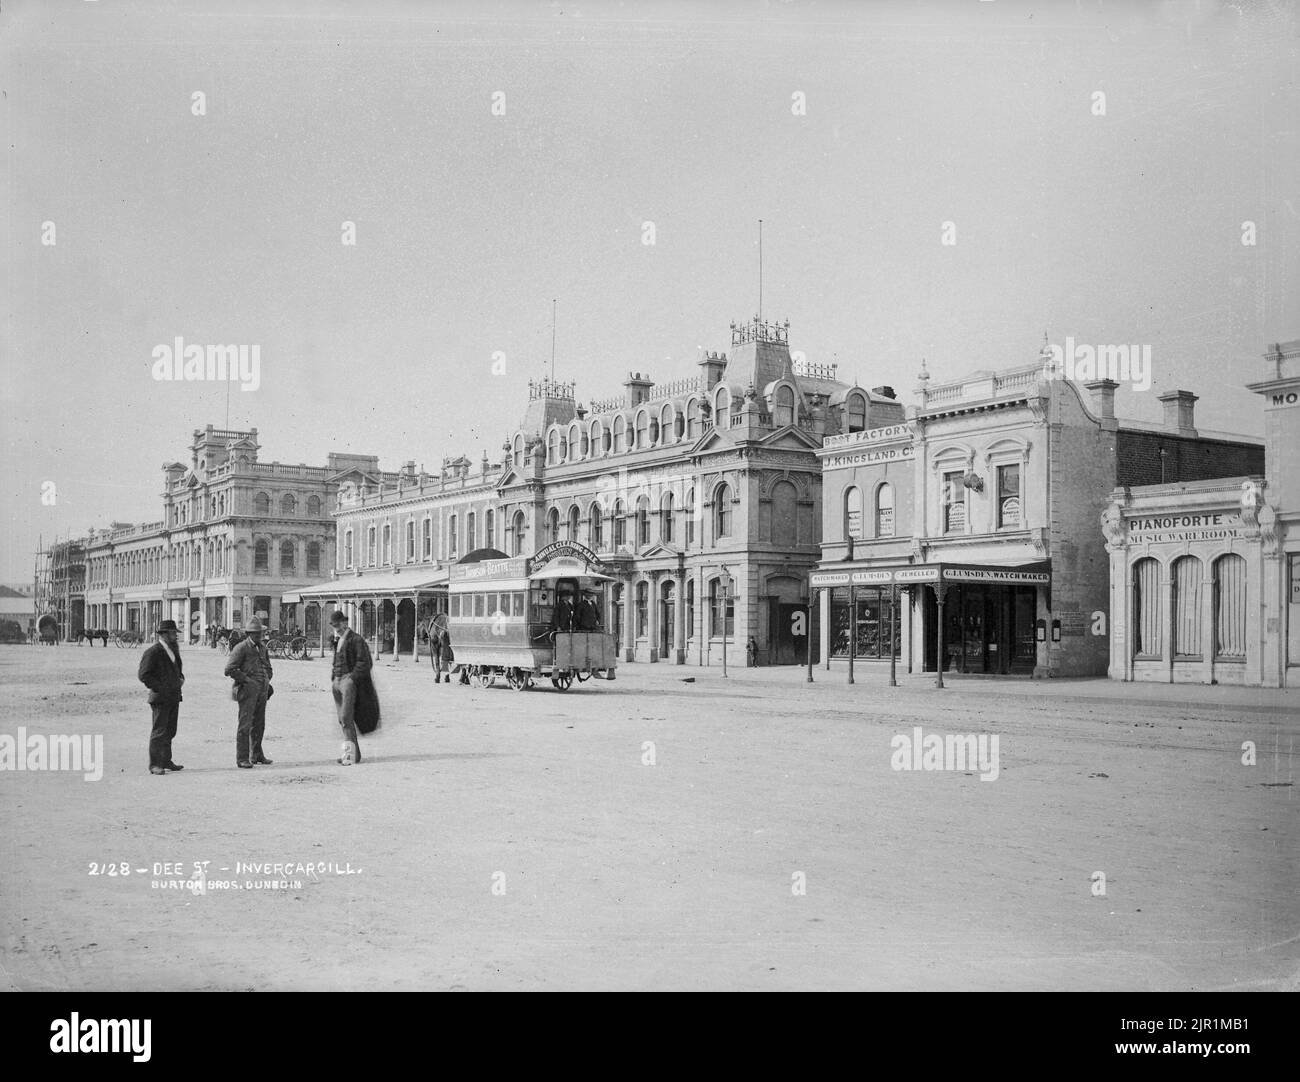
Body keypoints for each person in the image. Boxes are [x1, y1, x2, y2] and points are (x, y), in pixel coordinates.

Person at [329, 610, 380, 764]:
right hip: (337, 682)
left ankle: (350, 756)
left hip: (347, 682)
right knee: (342, 719)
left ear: (345, 623)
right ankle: (352, 754)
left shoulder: (356, 640)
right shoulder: (339, 640)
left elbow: (365, 663)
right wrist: (334, 676)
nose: (337, 628)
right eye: (334, 626)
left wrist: (351, 679)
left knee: (345, 717)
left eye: (339, 625)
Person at [224, 616, 274, 768]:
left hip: (262, 691)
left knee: (259, 724)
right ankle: (242, 758)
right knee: (245, 725)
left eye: (260, 633)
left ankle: (257, 754)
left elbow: (268, 667)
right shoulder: (241, 648)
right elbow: (229, 669)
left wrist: (267, 678)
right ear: (249, 634)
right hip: (247, 691)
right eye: (256, 633)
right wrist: (247, 680)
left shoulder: (263, 648)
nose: (259, 636)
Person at [138, 619, 185, 775]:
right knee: (159, 731)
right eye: (173, 633)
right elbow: (144, 675)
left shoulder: (173, 650)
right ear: (164, 634)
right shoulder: (153, 652)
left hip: (173, 697)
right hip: (160, 698)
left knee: (170, 730)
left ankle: (166, 760)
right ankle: (155, 764)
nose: (175, 636)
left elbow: (176, 669)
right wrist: (161, 687)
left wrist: (181, 678)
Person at [429, 615, 451, 684]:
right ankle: (446, 675)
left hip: (439, 636)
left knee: (436, 655)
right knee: (446, 651)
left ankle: (438, 674)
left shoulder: (434, 626)